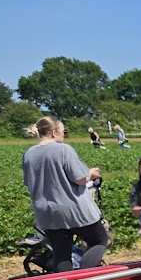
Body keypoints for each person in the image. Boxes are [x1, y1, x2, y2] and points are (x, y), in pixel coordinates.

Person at [21, 116, 109, 272]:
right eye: (63, 132)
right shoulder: (63, 149)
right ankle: (84, 279)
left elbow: (29, 183)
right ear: (54, 133)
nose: (64, 135)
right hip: (72, 209)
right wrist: (91, 174)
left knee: (62, 254)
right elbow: (80, 179)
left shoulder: (29, 154)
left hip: (46, 213)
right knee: (99, 240)